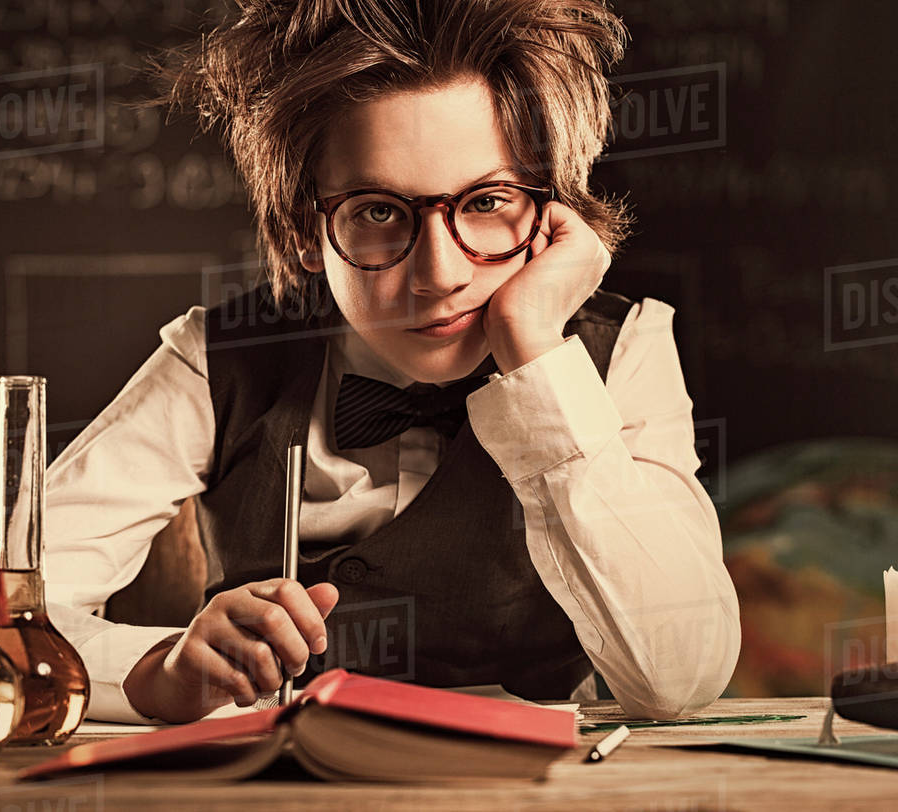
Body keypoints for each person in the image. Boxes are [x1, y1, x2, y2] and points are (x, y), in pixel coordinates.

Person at [42, 0, 740, 724]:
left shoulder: (619, 349)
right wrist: (153, 672)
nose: (439, 273)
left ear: (549, 212)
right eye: (378, 212)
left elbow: (681, 679)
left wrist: (533, 345)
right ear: (301, 229)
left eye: (489, 201)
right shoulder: (219, 360)